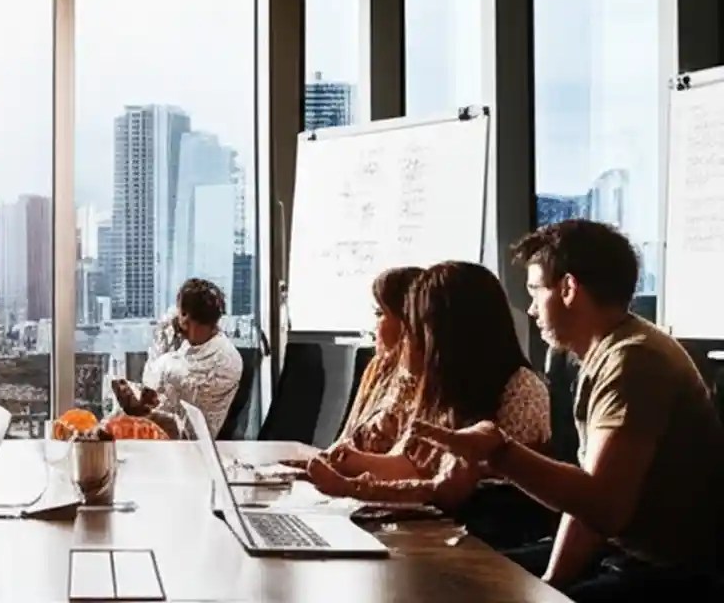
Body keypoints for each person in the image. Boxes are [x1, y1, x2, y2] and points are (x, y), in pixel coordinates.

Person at [413, 221, 724, 601]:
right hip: (619, 553)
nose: (529, 309)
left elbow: (603, 506)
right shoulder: (605, 354)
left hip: (665, 573)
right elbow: (586, 500)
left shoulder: (634, 360)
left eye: (534, 291)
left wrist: (500, 453)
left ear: (568, 288)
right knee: (454, 571)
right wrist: (551, 583)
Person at [307, 261, 550, 511]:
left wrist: (351, 486)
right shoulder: (444, 385)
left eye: (418, 327)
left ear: (452, 330)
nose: (409, 340)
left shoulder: (522, 389)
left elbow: (457, 492)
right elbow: (422, 473)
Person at [141, 278, 243, 438]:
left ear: (186, 317)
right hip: (173, 437)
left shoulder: (220, 361)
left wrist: (163, 333)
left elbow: (149, 384)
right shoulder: (205, 347)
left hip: (187, 444)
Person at [337, 266, 424, 449]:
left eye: (380, 313)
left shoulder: (423, 378)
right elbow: (345, 439)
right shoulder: (378, 368)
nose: (374, 326)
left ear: (406, 320)